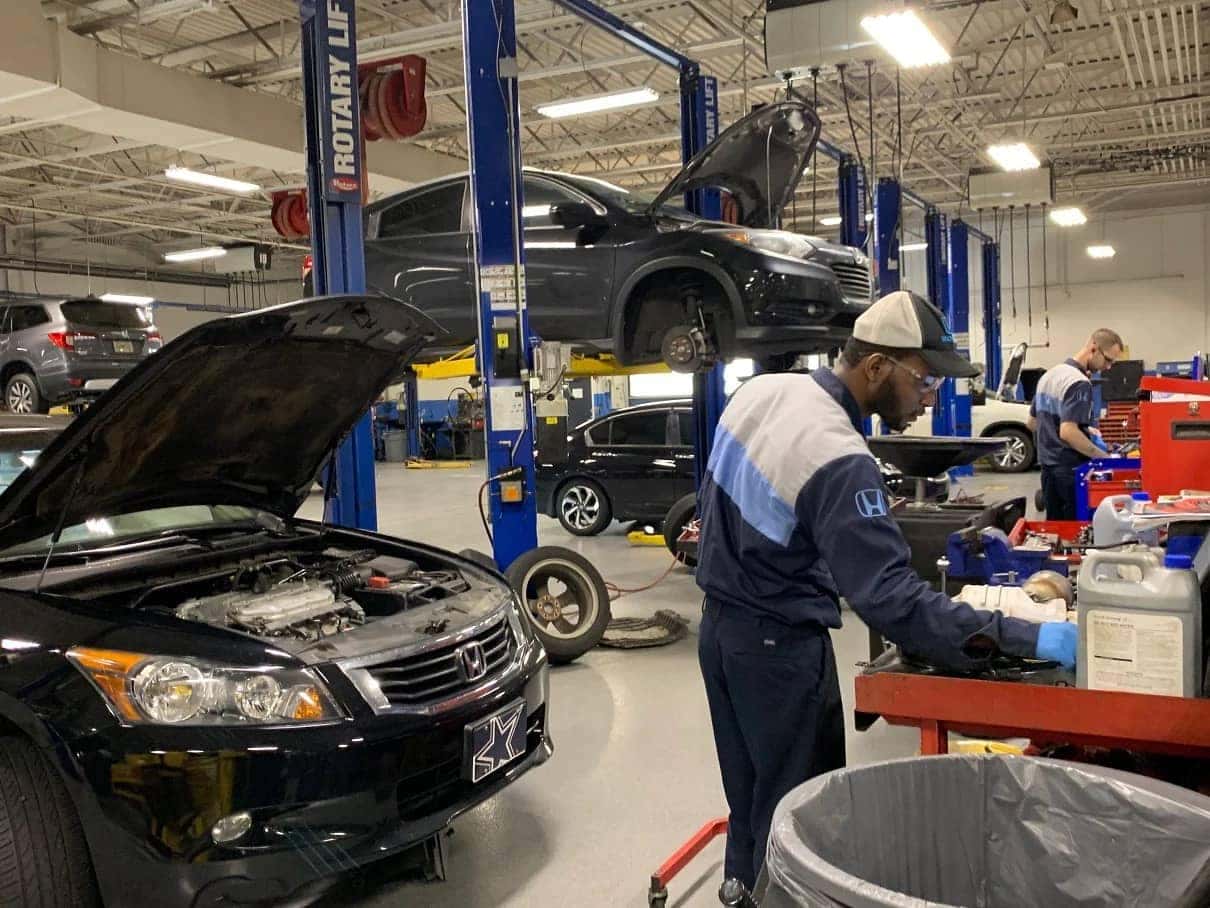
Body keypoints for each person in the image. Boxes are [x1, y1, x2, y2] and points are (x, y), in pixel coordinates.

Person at [695, 290, 1077, 894]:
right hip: (779, 654)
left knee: (752, 805)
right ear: (876, 367)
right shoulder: (840, 456)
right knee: (800, 818)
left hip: (720, 635)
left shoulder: (764, 392)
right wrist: (1029, 635)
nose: (930, 398)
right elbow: (891, 602)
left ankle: (743, 892)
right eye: (923, 381)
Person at [1027, 329, 1125, 520]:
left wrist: (1084, 433)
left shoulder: (1049, 375)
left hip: (1048, 470)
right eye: (1108, 360)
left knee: (1056, 529)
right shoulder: (1079, 383)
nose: (1109, 367)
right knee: (1076, 530)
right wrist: (1105, 458)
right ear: (1093, 349)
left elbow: (1032, 423)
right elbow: (1068, 432)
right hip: (1071, 472)